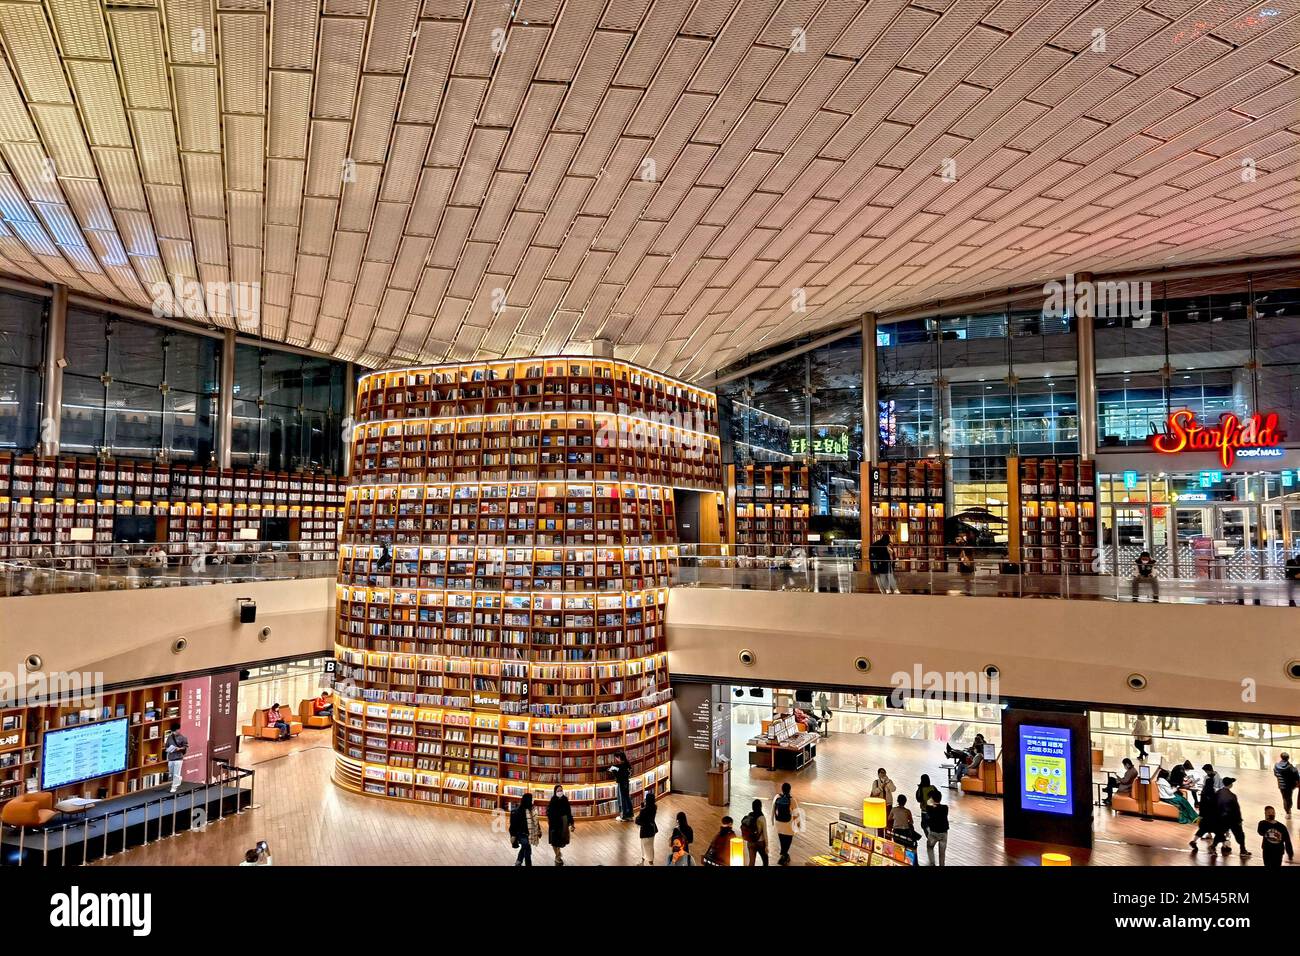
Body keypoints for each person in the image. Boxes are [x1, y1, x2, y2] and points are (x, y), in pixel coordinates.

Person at [1210, 777, 1250, 857]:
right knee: (1240, 835)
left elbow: (1213, 805)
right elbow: (1236, 809)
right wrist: (1239, 820)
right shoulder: (1232, 796)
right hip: (1232, 819)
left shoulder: (1218, 793)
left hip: (1220, 819)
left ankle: (1213, 847)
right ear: (1230, 784)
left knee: (1219, 834)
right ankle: (1243, 850)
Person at [546, 784, 574, 866]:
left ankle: (558, 854)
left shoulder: (565, 799)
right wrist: (551, 823)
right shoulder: (553, 800)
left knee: (561, 840)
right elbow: (549, 812)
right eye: (558, 790)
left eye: (561, 790)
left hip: (563, 823)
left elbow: (569, 812)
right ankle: (557, 856)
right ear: (555, 791)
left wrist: (572, 823)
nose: (560, 792)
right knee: (554, 841)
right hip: (554, 823)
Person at [509, 793, 540, 866]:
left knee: (524, 848)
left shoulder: (532, 810)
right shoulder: (518, 811)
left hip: (530, 834)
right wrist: (513, 835)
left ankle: (518, 861)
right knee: (528, 850)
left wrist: (539, 830)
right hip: (521, 834)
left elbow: (536, 821)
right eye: (531, 799)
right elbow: (513, 825)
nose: (533, 801)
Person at [773, 781, 798, 865]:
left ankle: (784, 855)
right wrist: (797, 825)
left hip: (778, 823)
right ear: (790, 790)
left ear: (782, 789)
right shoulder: (792, 800)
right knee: (787, 841)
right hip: (788, 825)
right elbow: (796, 814)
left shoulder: (777, 797)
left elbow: (773, 809)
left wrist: (772, 821)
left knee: (782, 840)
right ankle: (783, 855)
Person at [741, 798, 769, 866]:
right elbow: (765, 833)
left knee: (751, 862)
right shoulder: (761, 818)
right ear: (760, 807)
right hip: (760, 843)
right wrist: (767, 846)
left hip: (750, 842)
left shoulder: (750, 815)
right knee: (765, 861)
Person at [607, 751, 633, 821]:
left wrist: (613, 771)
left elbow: (619, 776)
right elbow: (629, 773)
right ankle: (629, 815)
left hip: (621, 784)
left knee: (621, 799)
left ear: (619, 757)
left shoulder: (621, 767)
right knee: (627, 798)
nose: (616, 760)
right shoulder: (627, 764)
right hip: (626, 783)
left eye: (616, 758)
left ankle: (623, 816)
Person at [925, 791, 949, 866]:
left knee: (930, 847)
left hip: (933, 832)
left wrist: (931, 803)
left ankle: (932, 863)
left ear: (932, 799)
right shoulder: (945, 808)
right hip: (943, 833)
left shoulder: (929, 808)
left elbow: (928, 805)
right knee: (942, 853)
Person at [635, 791, 658, 865]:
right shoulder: (654, 807)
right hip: (652, 829)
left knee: (644, 846)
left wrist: (641, 810)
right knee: (650, 846)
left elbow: (638, 820)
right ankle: (648, 862)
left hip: (645, 831)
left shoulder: (644, 810)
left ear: (647, 800)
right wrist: (642, 808)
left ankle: (648, 862)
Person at [164, 727, 189, 794]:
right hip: (171, 757)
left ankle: (174, 787)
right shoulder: (169, 737)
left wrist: (179, 749)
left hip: (178, 758)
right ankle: (179, 778)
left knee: (176, 774)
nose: (174, 733)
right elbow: (166, 746)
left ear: (178, 730)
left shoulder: (183, 738)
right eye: (173, 731)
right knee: (171, 773)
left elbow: (186, 747)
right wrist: (167, 749)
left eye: (175, 731)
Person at [1273, 752, 1299, 817]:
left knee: (1284, 798)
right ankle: (1288, 810)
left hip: (1281, 785)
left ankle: (1287, 811)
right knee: (1289, 798)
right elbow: (1296, 775)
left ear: (1281, 757)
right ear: (1288, 758)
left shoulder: (1276, 765)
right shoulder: (1290, 767)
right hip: (1289, 786)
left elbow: (1276, 774)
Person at [915, 774, 940, 839]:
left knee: (924, 825)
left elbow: (918, 799)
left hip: (925, 810)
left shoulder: (921, 789)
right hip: (933, 810)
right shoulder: (933, 787)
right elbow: (938, 796)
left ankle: (930, 837)